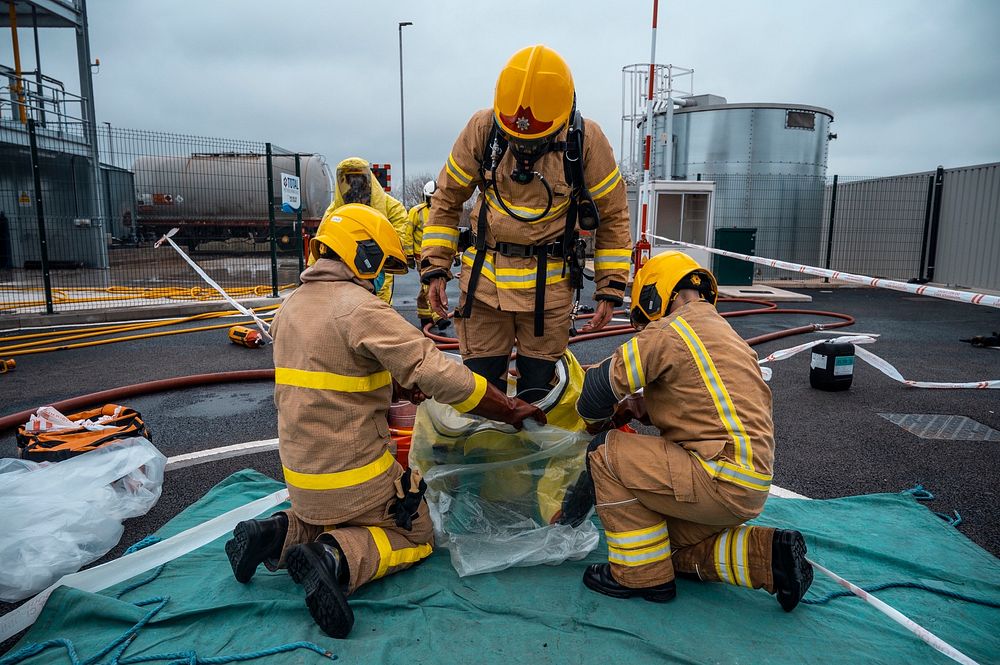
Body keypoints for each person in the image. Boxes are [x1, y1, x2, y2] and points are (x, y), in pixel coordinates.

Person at [224, 203, 545, 638]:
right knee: (416, 529)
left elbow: (334, 374)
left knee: (326, 514)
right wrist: (508, 410)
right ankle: (335, 557)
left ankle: (274, 533)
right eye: (381, 268)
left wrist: (394, 385)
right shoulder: (359, 308)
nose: (380, 280)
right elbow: (435, 370)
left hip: (300, 481)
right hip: (354, 482)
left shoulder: (290, 307)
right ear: (364, 255)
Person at [560, 251, 814, 611]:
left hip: (715, 475)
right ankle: (770, 559)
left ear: (653, 296)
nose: (643, 327)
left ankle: (640, 577)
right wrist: (639, 407)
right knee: (663, 544)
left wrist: (595, 426)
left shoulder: (670, 329)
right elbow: (701, 401)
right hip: (749, 487)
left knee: (604, 451)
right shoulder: (723, 333)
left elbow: (597, 390)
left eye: (642, 318)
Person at [419, 44, 632, 397]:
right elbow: (446, 198)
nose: (524, 151)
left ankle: (532, 452)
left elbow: (613, 214)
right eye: (516, 140)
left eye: (533, 142)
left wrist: (610, 287)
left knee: (539, 396)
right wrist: (435, 267)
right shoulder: (483, 129)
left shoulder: (586, 141)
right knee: (481, 396)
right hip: (484, 294)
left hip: (547, 300)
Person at [325, 157, 410, 305]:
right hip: (344, 269)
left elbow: (399, 236)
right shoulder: (335, 211)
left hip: (377, 265)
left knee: (379, 309)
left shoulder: (391, 207)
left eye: (358, 177)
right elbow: (324, 237)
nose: (355, 183)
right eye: (351, 178)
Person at [407, 180, 450, 332]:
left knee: (424, 290)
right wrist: (408, 255)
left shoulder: (444, 213)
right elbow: (408, 234)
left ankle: (425, 316)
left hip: (438, 256)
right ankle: (438, 317)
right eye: (431, 198)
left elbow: (449, 234)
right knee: (428, 286)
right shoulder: (416, 212)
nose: (434, 201)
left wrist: (455, 253)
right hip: (421, 257)